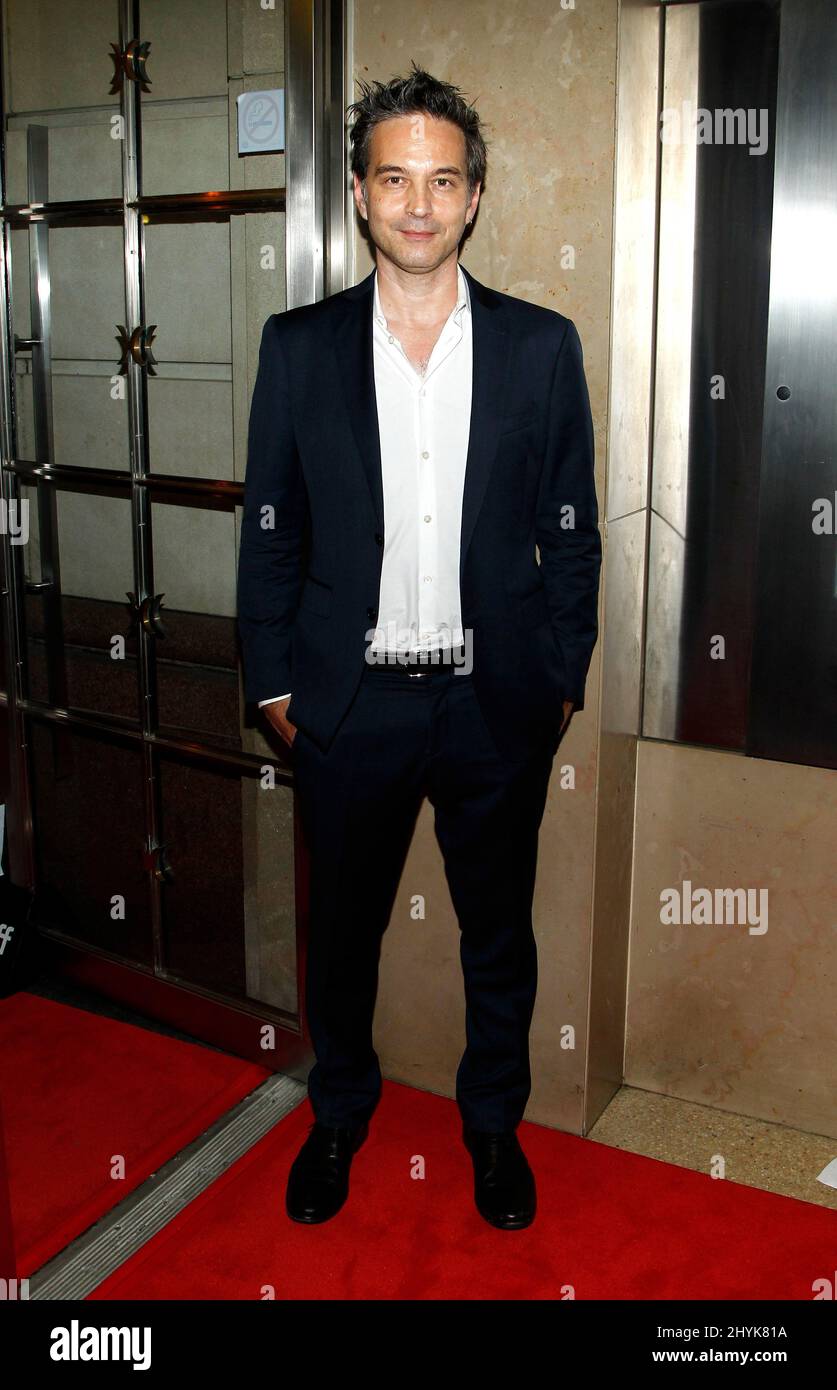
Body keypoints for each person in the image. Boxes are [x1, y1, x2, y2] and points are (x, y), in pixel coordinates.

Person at [237, 62, 601, 1230]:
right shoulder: (298, 347)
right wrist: (277, 684)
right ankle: (338, 1110)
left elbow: (574, 534)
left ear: (476, 196)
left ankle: (492, 1126)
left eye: (443, 180)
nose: (419, 203)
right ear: (358, 192)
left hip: (496, 703)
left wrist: (560, 676)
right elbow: (269, 530)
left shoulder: (543, 347)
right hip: (348, 706)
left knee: (501, 934)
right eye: (395, 177)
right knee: (341, 938)